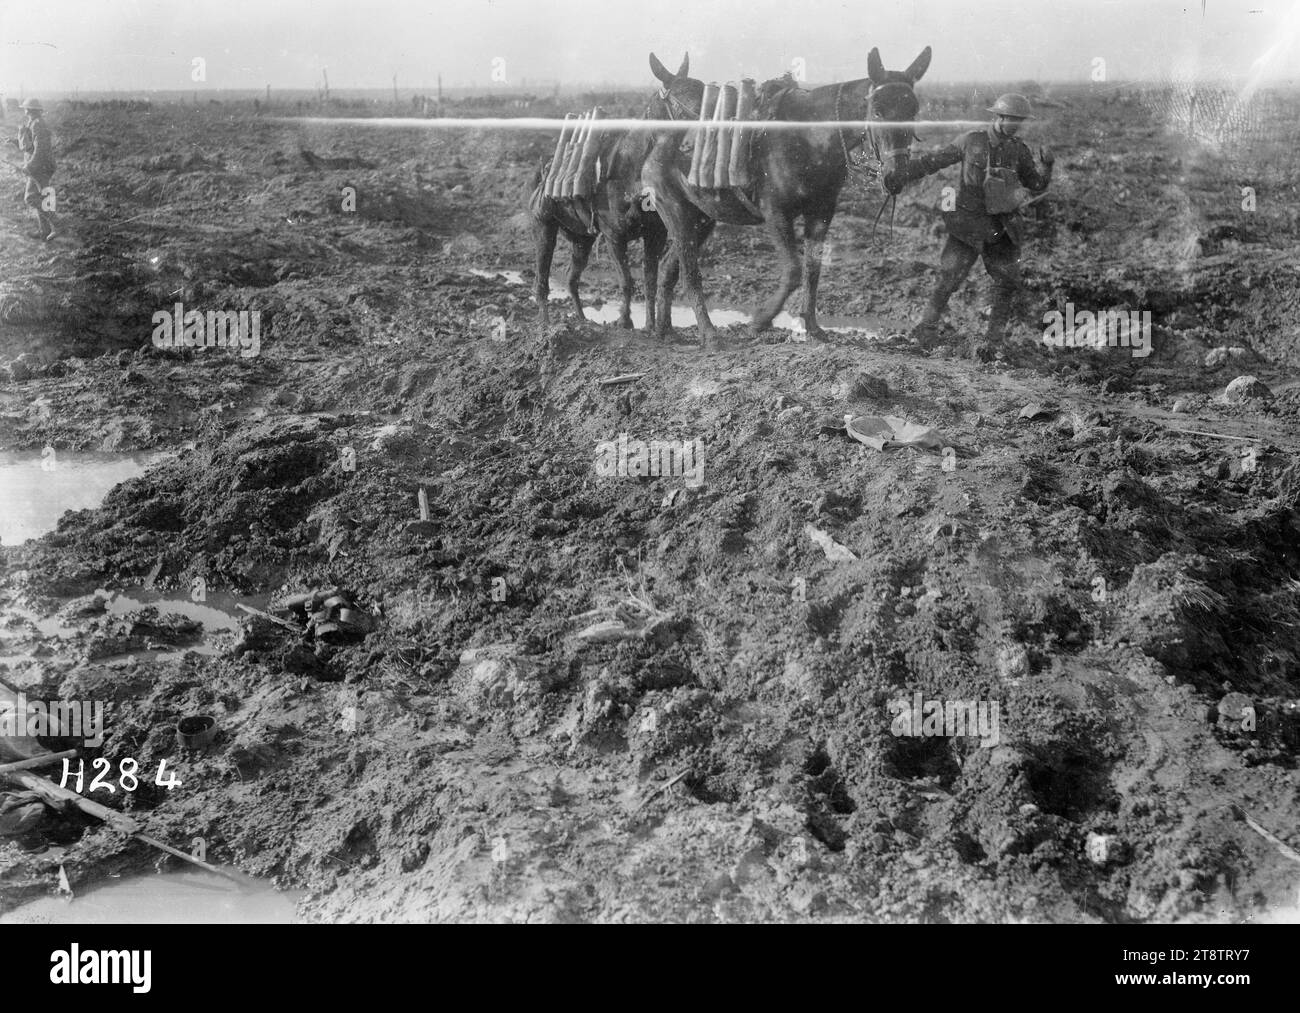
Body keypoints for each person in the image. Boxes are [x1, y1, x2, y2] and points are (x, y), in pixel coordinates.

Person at [885, 93, 1053, 360]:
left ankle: (993, 342)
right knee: (949, 277)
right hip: (968, 225)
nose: (1015, 125)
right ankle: (925, 330)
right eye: (1011, 119)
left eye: (1019, 121)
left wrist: (1047, 165)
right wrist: (900, 176)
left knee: (1006, 283)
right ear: (998, 117)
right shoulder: (971, 141)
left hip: (1002, 227)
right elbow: (932, 162)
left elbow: (1036, 184)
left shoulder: (1019, 151)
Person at [17, 98, 57, 240]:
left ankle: (57, 223)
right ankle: (44, 231)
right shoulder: (33, 123)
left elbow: (40, 150)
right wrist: (16, 142)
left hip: (41, 167)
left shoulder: (38, 125)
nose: (25, 111)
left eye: (26, 109)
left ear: (30, 110)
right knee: (41, 197)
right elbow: (31, 146)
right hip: (39, 166)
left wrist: (29, 166)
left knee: (31, 198)